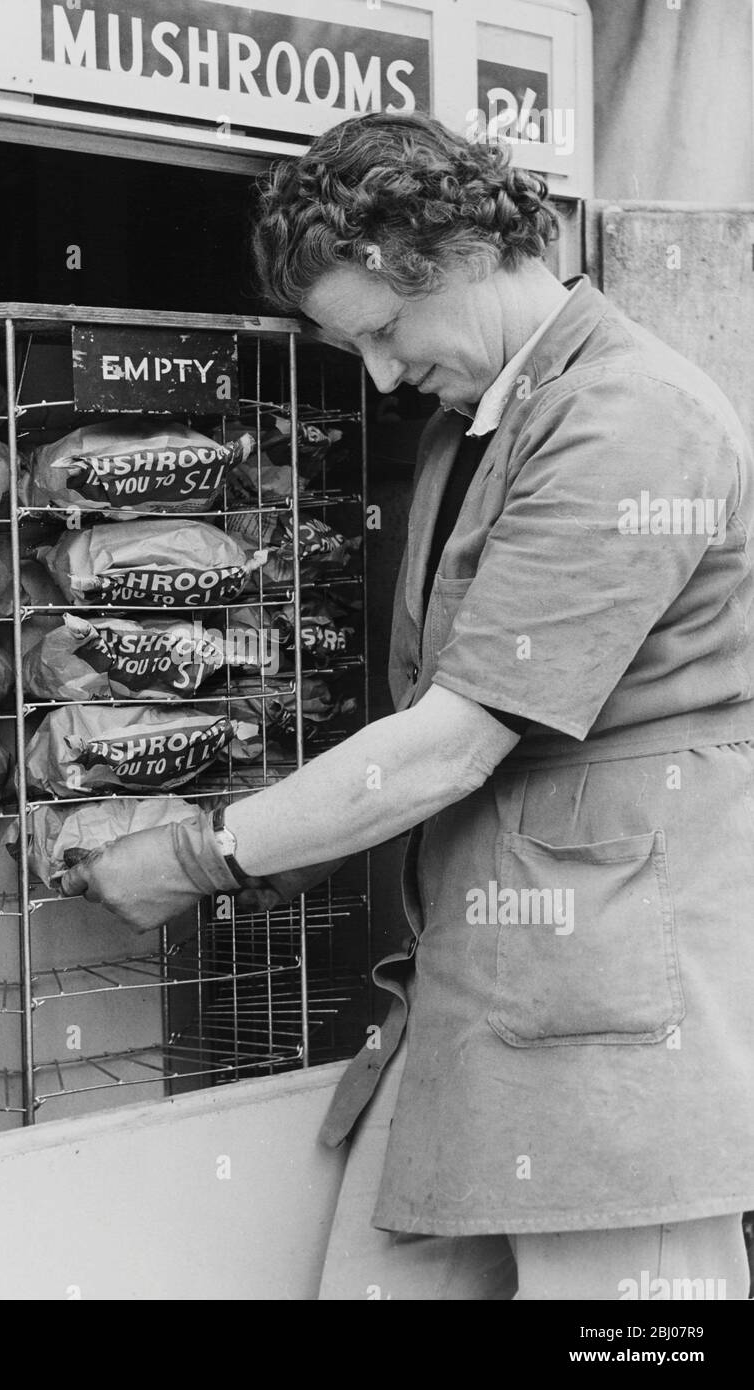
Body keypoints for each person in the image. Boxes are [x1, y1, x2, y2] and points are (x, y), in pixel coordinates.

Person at [62, 112, 754, 1301]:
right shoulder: (478, 421)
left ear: (464, 253)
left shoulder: (631, 416)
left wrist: (204, 854)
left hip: (614, 1027)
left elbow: (450, 745)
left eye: (383, 331)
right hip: (480, 997)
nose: (379, 375)